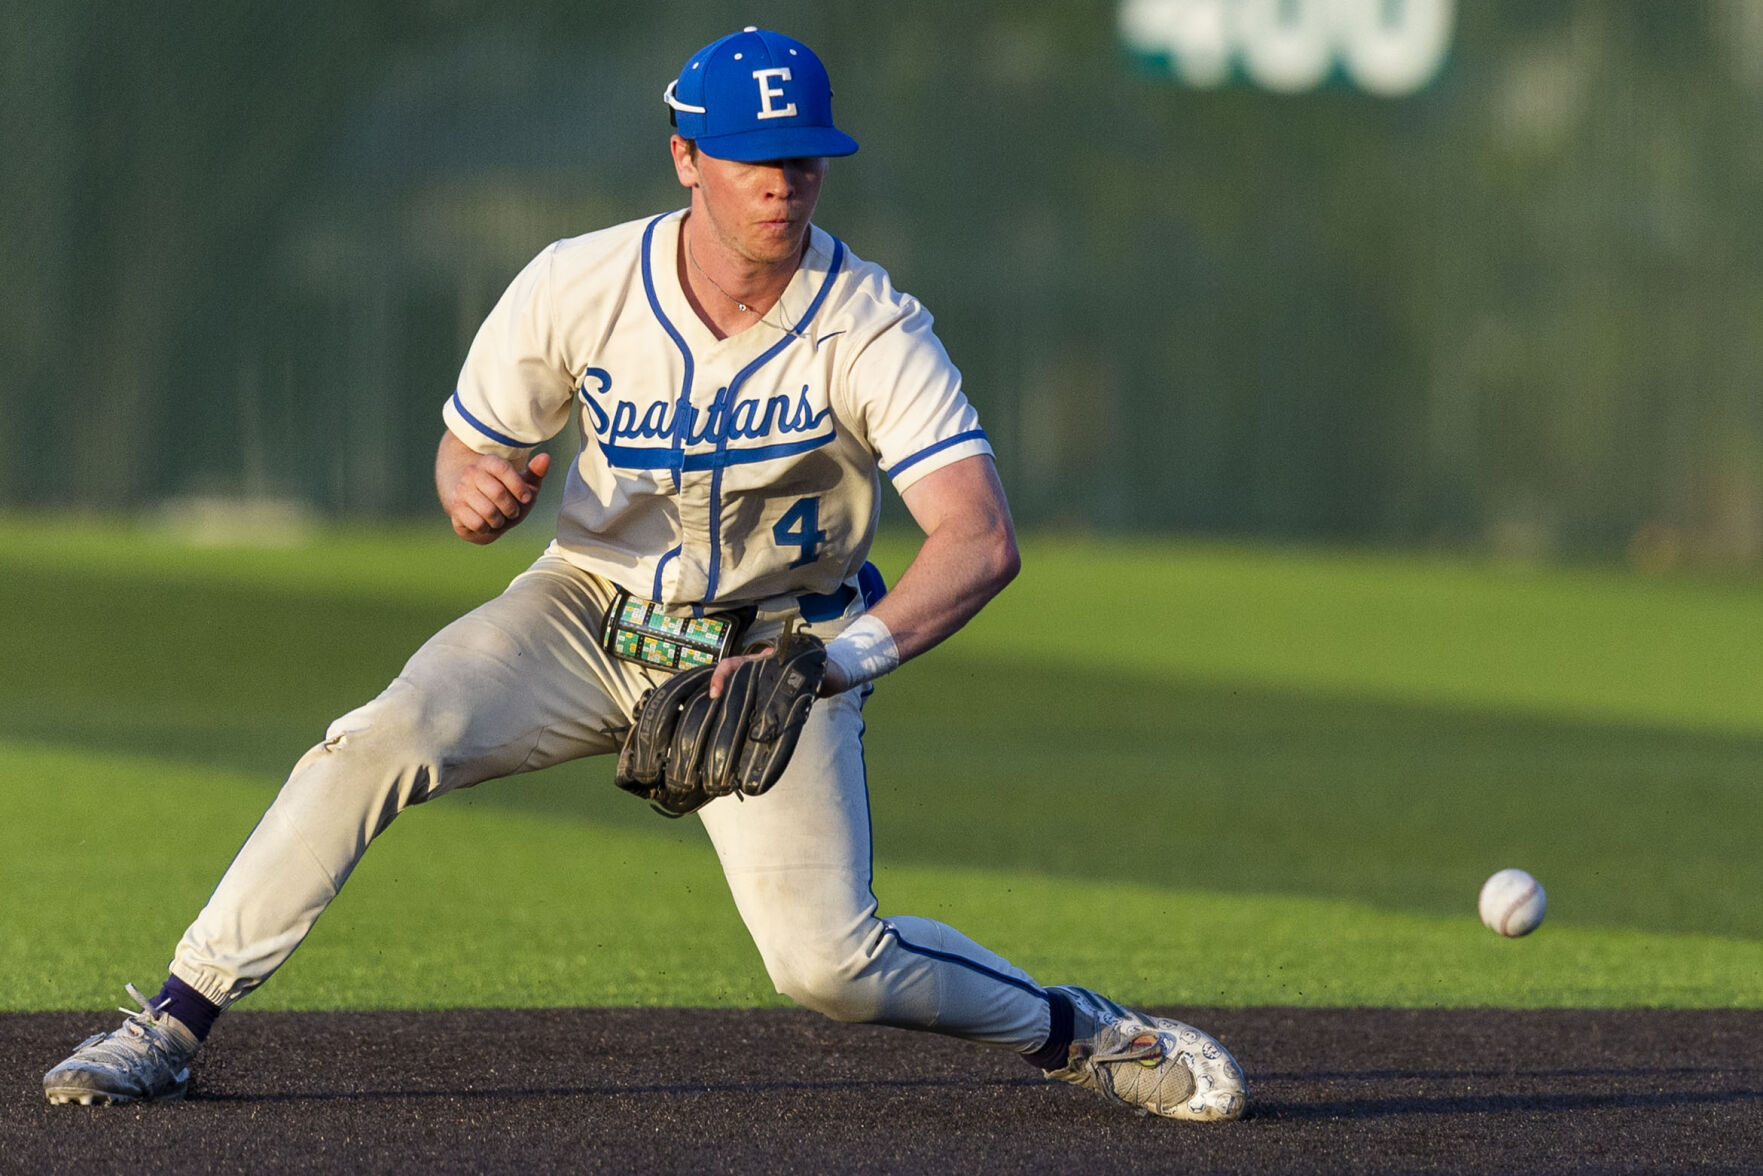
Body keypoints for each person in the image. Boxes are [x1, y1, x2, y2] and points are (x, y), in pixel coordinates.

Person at [43, 27, 1247, 1122]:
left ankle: (1079, 1032)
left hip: (771, 652)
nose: (781, 181)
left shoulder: (871, 325)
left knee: (827, 966)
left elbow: (977, 539)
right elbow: (471, 446)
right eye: (750, 157)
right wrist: (467, 486)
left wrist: (831, 664)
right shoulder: (579, 282)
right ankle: (171, 1025)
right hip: (584, 609)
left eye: (804, 158)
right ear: (685, 158)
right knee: (377, 739)